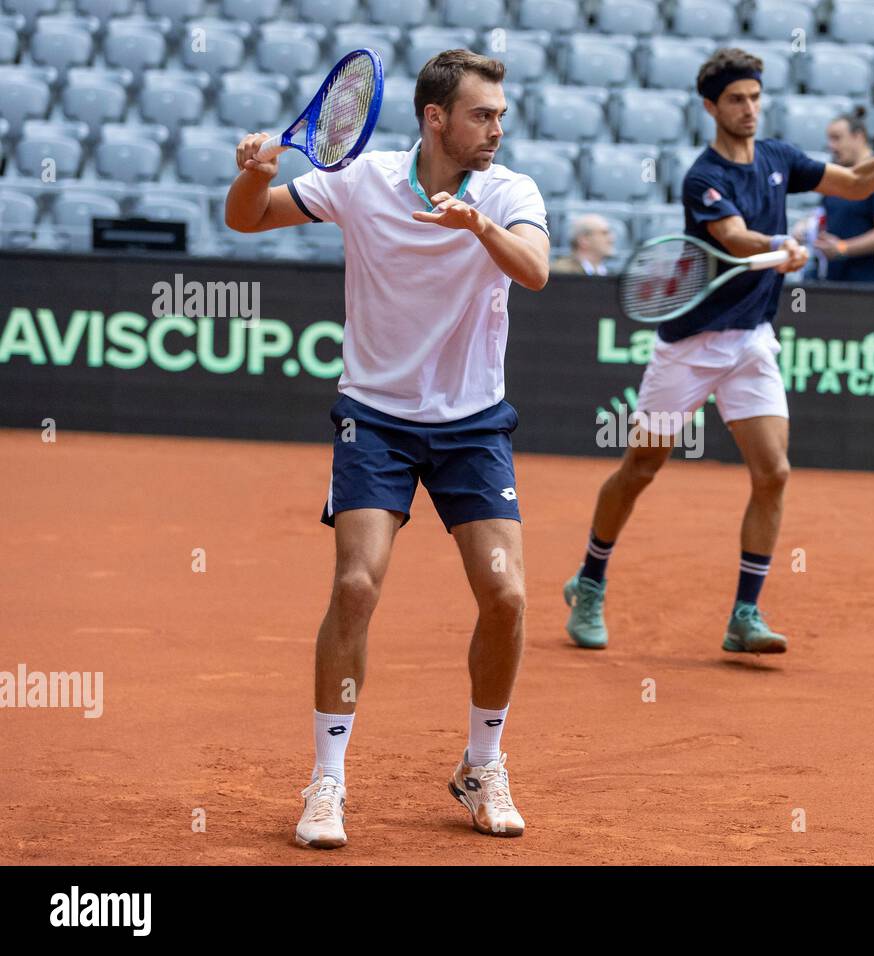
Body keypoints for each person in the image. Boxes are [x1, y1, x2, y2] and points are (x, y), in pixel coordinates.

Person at [224, 49, 551, 848]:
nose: (497, 129)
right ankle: (327, 782)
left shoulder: (509, 191)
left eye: (502, 114)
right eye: (482, 115)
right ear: (436, 118)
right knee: (358, 584)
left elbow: (537, 270)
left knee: (506, 598)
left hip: (473, 423)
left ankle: (482, 764)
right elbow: (247, 216)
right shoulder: (360, 179)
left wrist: (477, 226)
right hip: (373, 418)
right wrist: (252, 170)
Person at [561, 47, 874, 653]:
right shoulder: (704, 176)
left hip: (751, 340)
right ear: (710, 107)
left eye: (754, 97)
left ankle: (744, 615)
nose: (749, 109)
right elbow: (734, 239)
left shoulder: (778, 157)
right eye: (735, 100)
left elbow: (856, 181)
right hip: (691, 346)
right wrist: (781, 241)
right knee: (642, 467)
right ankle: (590, 580)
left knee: (773, 472)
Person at [810, 107, 874, 284]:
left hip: (866, 287)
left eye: (837, 138)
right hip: (830, 281)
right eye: (829, 139)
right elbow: (823, 215)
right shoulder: (836, 175)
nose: (831, 146)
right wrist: (807, 228)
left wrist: (843, 248)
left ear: (859, 137)